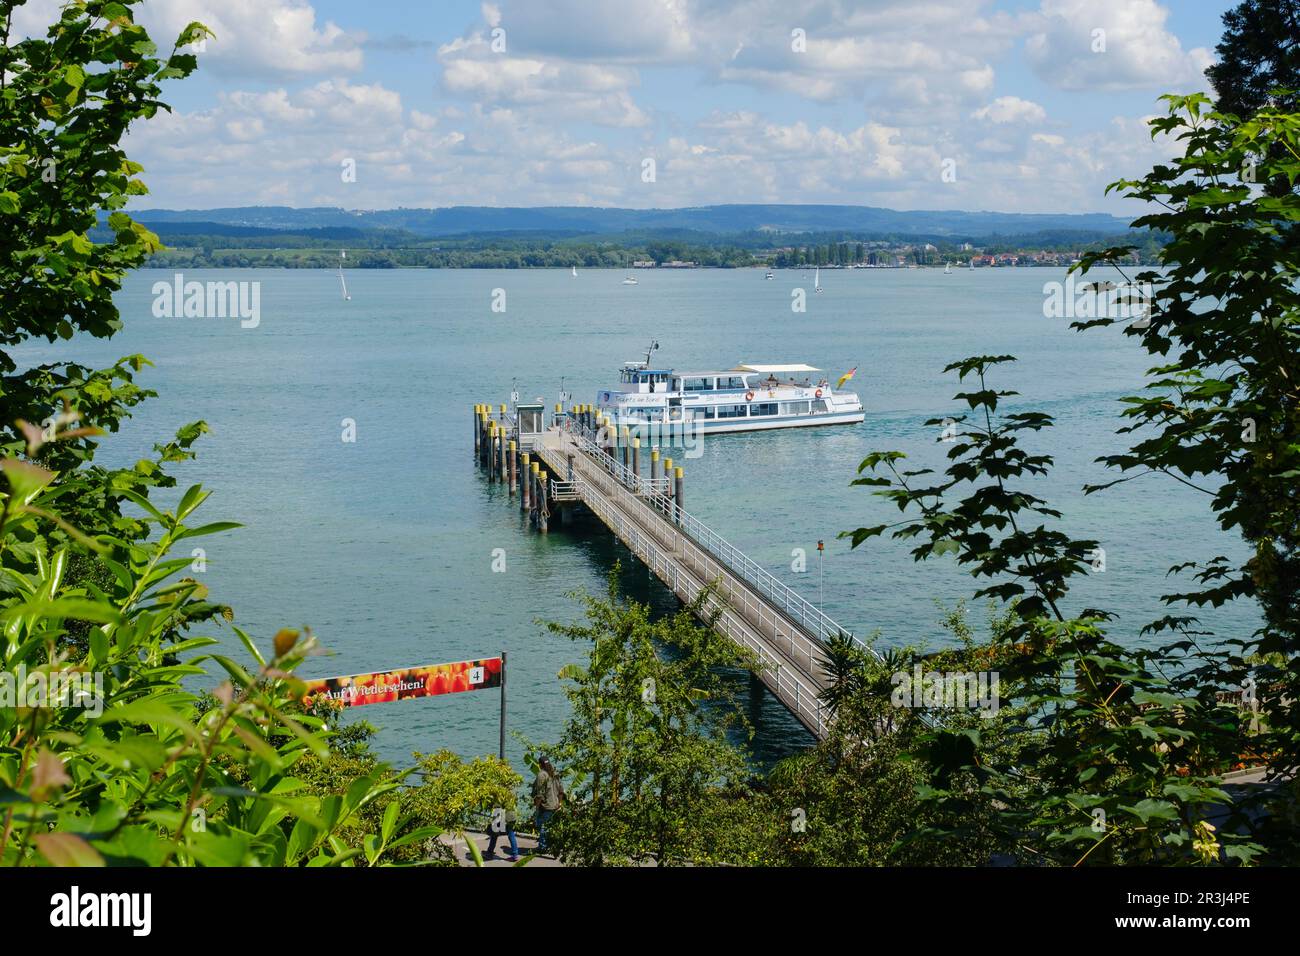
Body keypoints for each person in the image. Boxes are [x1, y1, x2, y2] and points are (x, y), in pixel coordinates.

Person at [531, 757, 564, 854]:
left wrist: (537, 808)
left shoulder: (541, 775)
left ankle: (542, 847)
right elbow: (561, 790)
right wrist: (560, 803)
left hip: (546, 806)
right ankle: (551, 846)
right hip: (555, 805)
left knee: (542, 826)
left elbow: (539, 795)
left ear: (539, 764)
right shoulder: (554, 773)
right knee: (550, 827)